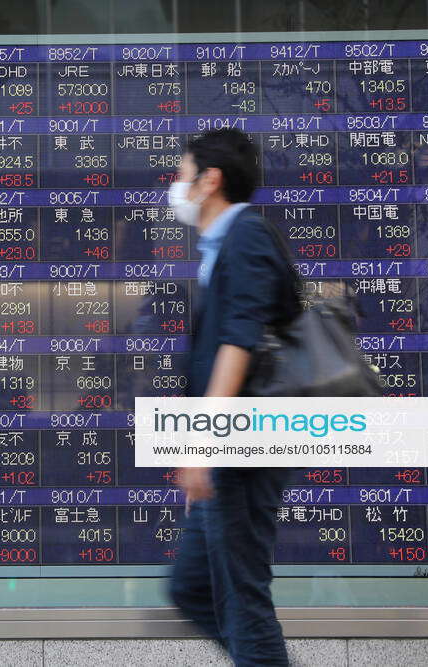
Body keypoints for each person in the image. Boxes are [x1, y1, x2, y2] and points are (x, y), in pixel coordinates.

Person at [167, 128, 300, 666]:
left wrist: (203, 444)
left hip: (243, 447)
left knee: (243, 599)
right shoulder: (223, 246)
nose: (176, 186)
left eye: (181, 173)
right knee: (191, 587)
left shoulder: (246, 236)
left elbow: (238, 341)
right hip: (229, 450)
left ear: (210, 179)